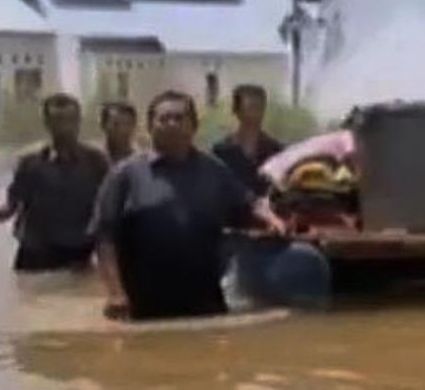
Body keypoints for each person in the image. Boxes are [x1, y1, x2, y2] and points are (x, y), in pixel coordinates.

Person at [91, 90, 287, 321]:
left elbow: (248, 202)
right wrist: (115, 294)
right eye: (164, 119)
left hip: (205, 303)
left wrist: (272, 219)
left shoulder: (213, 169)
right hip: (143, 307)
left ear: (193, 126)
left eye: (179, 118)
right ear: (149, 126)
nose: (172, 124)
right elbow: (104, 238)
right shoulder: (124, 174)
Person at [0, 94, 109, 272]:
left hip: (78, 255)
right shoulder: (30, 163)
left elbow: (108, 209)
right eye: (58, 121)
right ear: (47, 124)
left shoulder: (96, 162)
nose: (64, 127)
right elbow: (12, 206)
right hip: (35, 254)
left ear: (79, 121)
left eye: (70, 120)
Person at [211, 84, 283, 196]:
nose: (255, 112)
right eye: (251, 106)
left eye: (259, 106)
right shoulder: (221, 152)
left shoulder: (276, 150)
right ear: (236, 110)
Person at [99, 101, 138, 165]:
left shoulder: (140, 162)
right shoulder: (93, 160)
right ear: (103, 125)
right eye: (116, 125)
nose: (123, 130)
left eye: (128, 124)